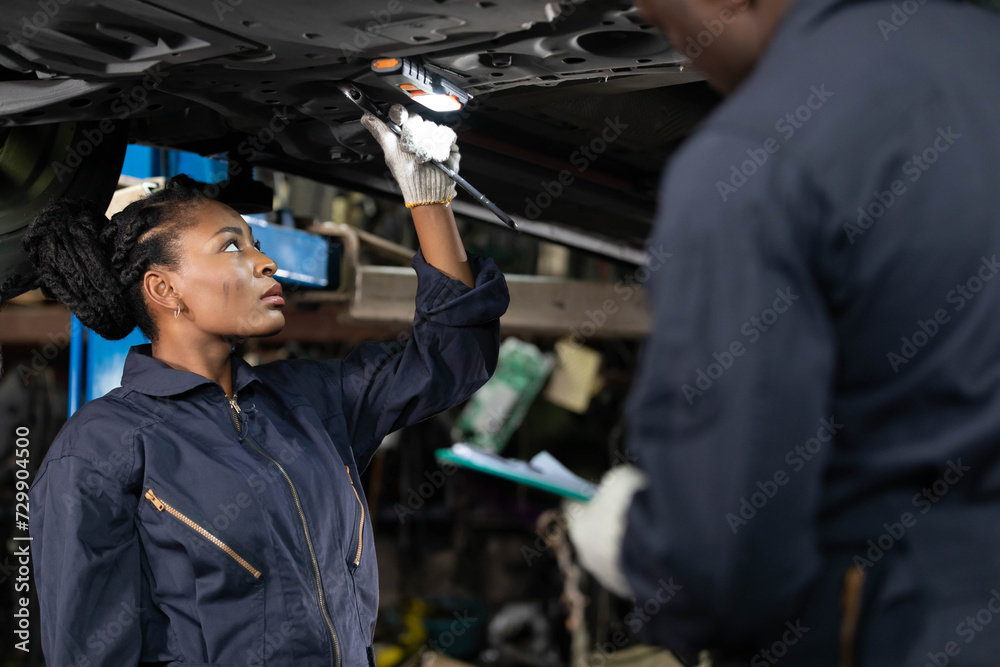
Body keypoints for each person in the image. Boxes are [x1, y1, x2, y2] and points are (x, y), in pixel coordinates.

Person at [566, 0, 1000, 665]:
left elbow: (727, 559)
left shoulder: (750, 159)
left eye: (661, 22)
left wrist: (632, 542)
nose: (682, 48)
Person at [1, 105, 509, 666]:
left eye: (255, 243)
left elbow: (454, 356)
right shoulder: (100, 449)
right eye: (231, 246)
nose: (266, 262)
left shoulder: (310, 402)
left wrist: (429, 200)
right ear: (165, 289)